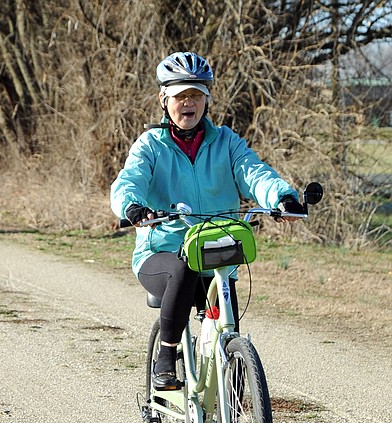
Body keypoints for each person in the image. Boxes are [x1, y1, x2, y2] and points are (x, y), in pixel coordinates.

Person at [110, 51, 305, 390]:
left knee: (227, 330)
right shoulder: (151, 146)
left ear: (207, 100)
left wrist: (281, 197)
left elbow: (255, 173)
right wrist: (134, 208)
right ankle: (166, 357)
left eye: (196, 95)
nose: (189, 103)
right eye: (180, 95)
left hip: (216, 251)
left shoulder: (226, 142)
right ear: (164, 99)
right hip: (163, 252)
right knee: (182, 269)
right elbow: (129, 182)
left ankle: (237, 410)